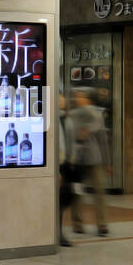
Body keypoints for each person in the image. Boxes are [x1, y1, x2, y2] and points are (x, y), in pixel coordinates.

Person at [66, 87, 110, 236]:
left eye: (81, 96)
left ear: (88, 98)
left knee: (99, 192)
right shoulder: (71, 115)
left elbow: (103, 140)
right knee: (77, 193)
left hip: (94, 159)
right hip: (77, 160)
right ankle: (77, 223)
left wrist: (106, 161)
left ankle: (102, 224)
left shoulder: (95, 114)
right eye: (76, 96)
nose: (77, 98)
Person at [57, 94, 75, 247]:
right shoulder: (51, 119)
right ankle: (57, 234)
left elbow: (70, 142)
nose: (62, 101)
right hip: (56, 165)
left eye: (63, 99)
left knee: (63, 199)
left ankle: (59, 232)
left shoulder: (67, 120)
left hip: (65, 164)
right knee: (57, 200)